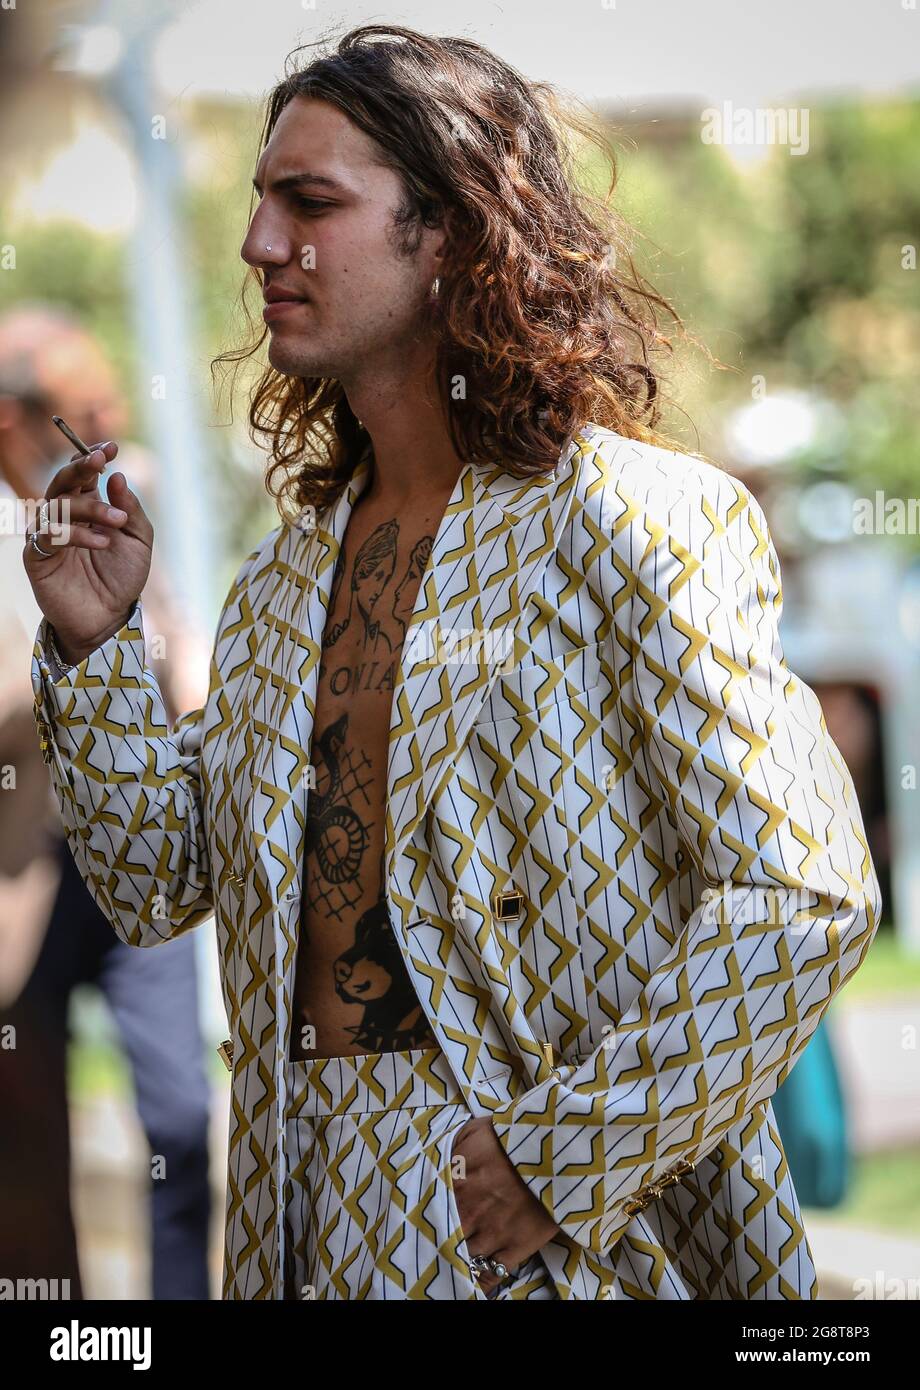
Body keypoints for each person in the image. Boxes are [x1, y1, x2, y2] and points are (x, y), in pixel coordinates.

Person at [22, 26, 880, 1301]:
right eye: (260, 200)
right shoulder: (286, 576)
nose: (261, 243)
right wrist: (93, 646)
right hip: (297, 1219)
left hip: (546, 1225)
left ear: (455, 235)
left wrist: (561, 1154)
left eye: (309, 201)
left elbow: (801, 892)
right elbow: (160, 885)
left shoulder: (629, 517)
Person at [0, 306, 212, 1299]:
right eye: (82, 409)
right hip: (25, 883)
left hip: (141, 859)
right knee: (28, 1171)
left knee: (181, 1123)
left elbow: (176, 645)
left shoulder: (111, 500)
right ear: (13, 417)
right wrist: (57, 649)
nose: (104, 422)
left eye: (110, 404)